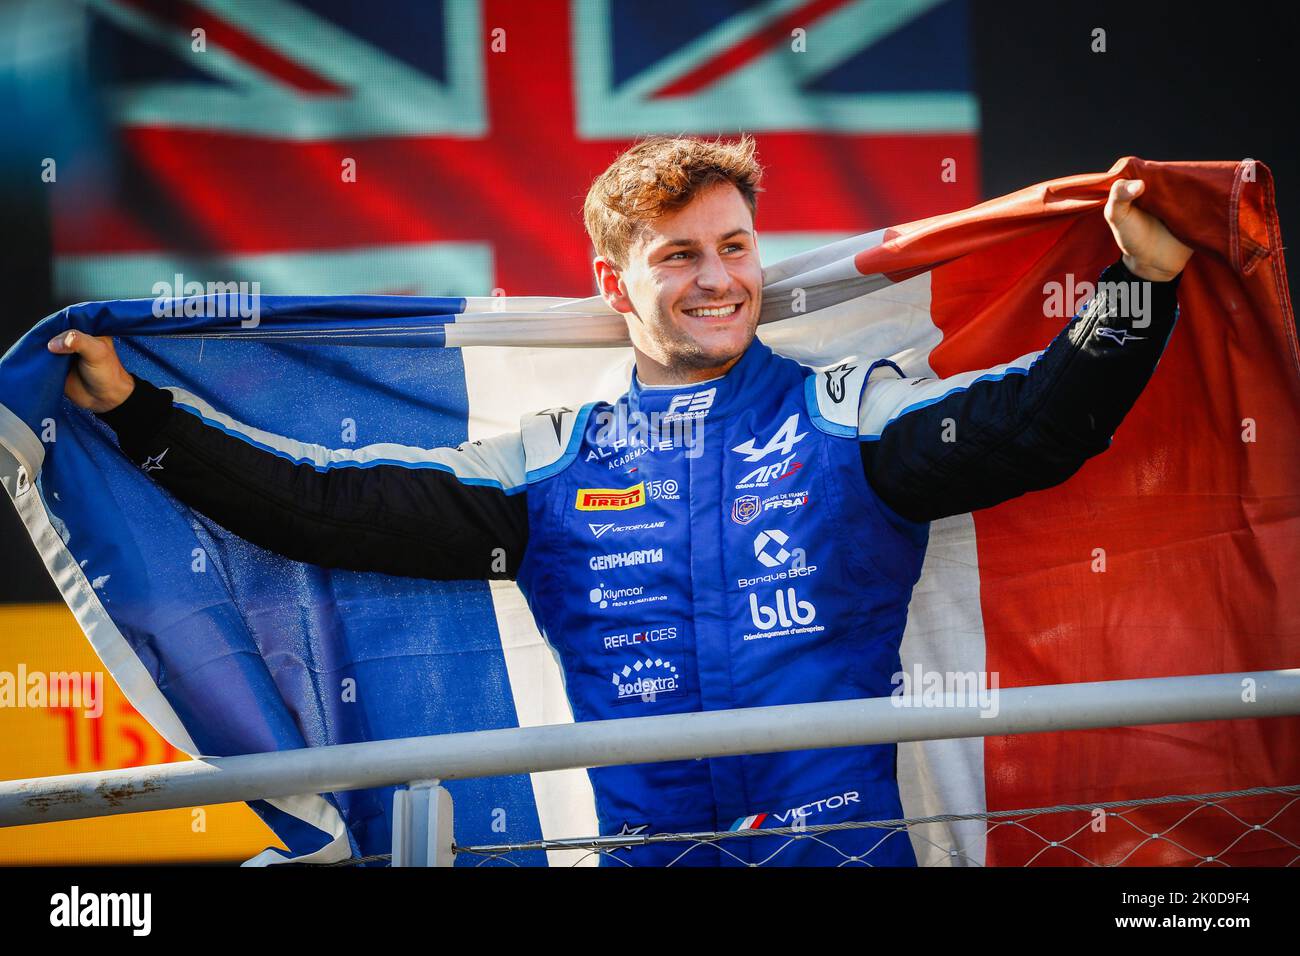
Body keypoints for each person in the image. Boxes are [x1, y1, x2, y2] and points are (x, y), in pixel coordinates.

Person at [48, 135, 1192, 866]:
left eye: (735, 246)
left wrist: (1136, 286)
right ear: (614, 282)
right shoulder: (545, 460)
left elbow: (1037, 424)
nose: (717, 278)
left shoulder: (848, 411)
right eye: (677, 254)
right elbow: (322, 509)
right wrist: (139, 416)